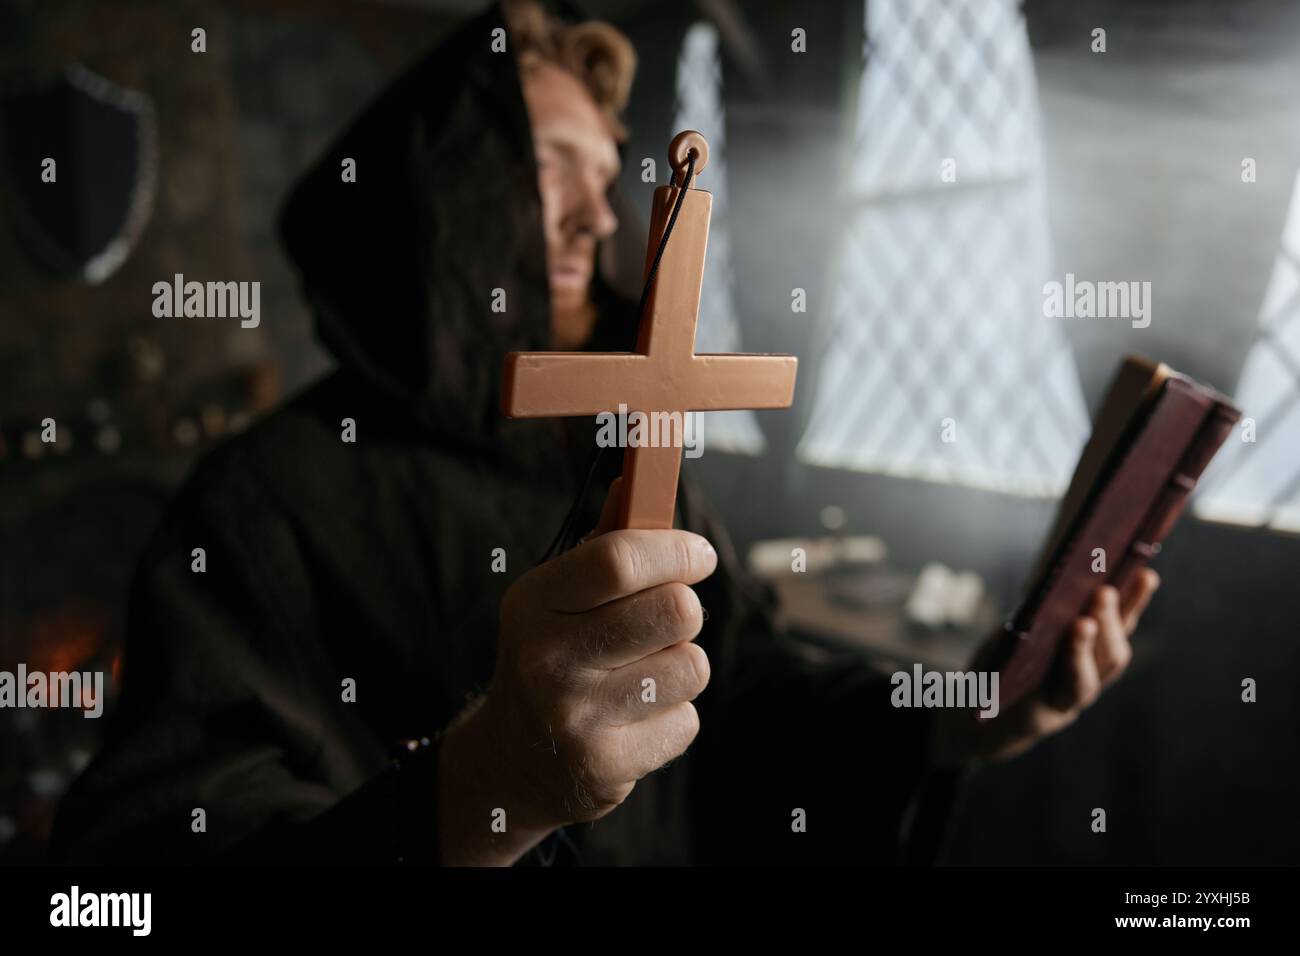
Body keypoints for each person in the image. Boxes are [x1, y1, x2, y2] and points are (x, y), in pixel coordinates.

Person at [50, 0, 1158, 867]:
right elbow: (149, 865)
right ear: (446, 196)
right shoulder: (263, 499)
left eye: (601, 171)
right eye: (545, 172)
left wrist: (967, 709)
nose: (594, 213)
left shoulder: (620, 445)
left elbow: (753, 694)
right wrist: (482, 787)